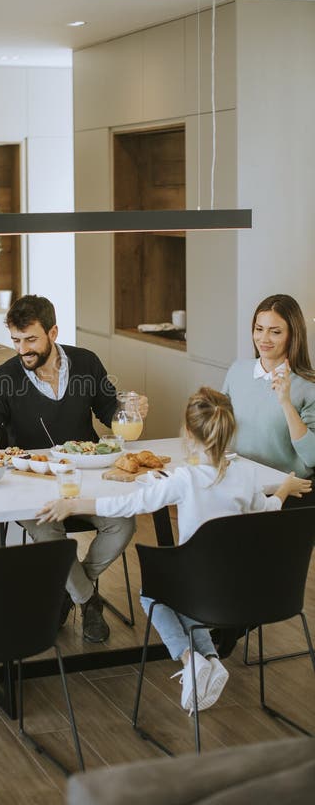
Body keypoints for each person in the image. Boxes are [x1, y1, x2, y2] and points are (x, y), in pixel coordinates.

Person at [37, 386, 311, 713]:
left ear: (188, 434)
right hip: (242, 589)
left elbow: (130, 504)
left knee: (153, 594)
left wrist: (75, 504)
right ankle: (210, 660)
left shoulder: (185, 478)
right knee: (179, 586)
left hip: (198, 591)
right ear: (229, 432)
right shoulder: (246, 474)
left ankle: (188, 657)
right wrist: (284, 488)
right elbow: (265, 510)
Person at [0, 294, 148, 644]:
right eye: (16, 341)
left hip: (83, 480)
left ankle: (69, 591)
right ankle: (89, 600)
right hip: (28, 483)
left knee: (123, 523)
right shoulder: (4, 378)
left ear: (53, 332)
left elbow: (109, 408)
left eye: (31, 339)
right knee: (49, 533)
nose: (23, 350)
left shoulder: (86, 363)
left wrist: (132, 409)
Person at [223, 293, 315, 481]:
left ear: (292, 335)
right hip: (237, 478)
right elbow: (216, 423)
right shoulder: (238, 370)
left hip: (284, 489)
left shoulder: (308, 387)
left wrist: (286, 402)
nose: (264, 339)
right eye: (259, 329)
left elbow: (312, 457)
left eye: (275, 332)